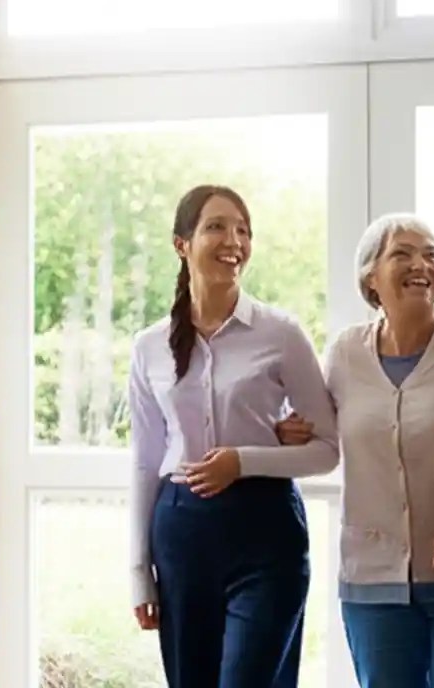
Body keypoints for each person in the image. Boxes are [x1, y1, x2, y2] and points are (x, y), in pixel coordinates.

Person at [276, 213, 434, 688]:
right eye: (402, 254)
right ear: (370, 277)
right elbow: (319, 432)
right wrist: (284, 431)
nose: (420, 263)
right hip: (371, 580)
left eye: (431, 254)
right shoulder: (344, 353)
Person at [127, 184, 340, 687]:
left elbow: (327, 450)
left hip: (266, 532)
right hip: (181, 534)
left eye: (243, 230)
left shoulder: (281, 334)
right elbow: (144, 459)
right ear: (182, 243)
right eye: (217, 226)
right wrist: (139, 571)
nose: (234, 240)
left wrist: (242, 461)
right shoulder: (149, 347)